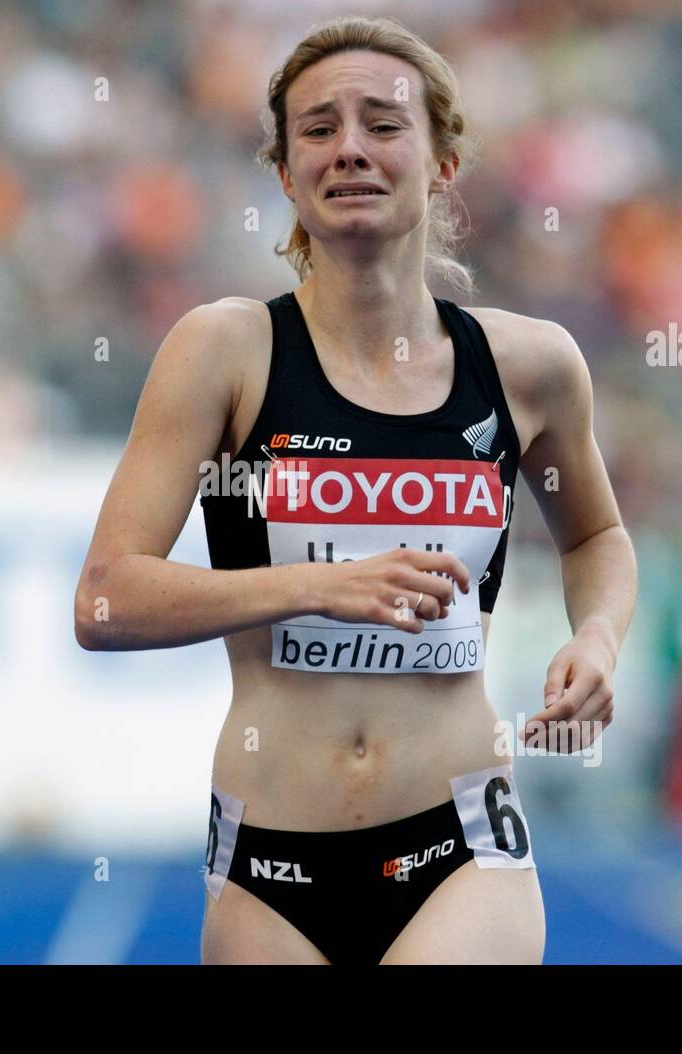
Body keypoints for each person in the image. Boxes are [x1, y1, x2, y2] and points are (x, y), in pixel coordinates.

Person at [73, 15, 637, 965]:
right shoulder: (225, 351)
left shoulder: (531, 364)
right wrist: (311, 584)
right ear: (287, 174)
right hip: (271, 859)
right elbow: (103, 598)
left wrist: (599, 638)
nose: (350, 150)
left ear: (443, 162)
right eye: (318, 130)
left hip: (462, 840)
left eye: (383, 122)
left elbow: (596, 539)